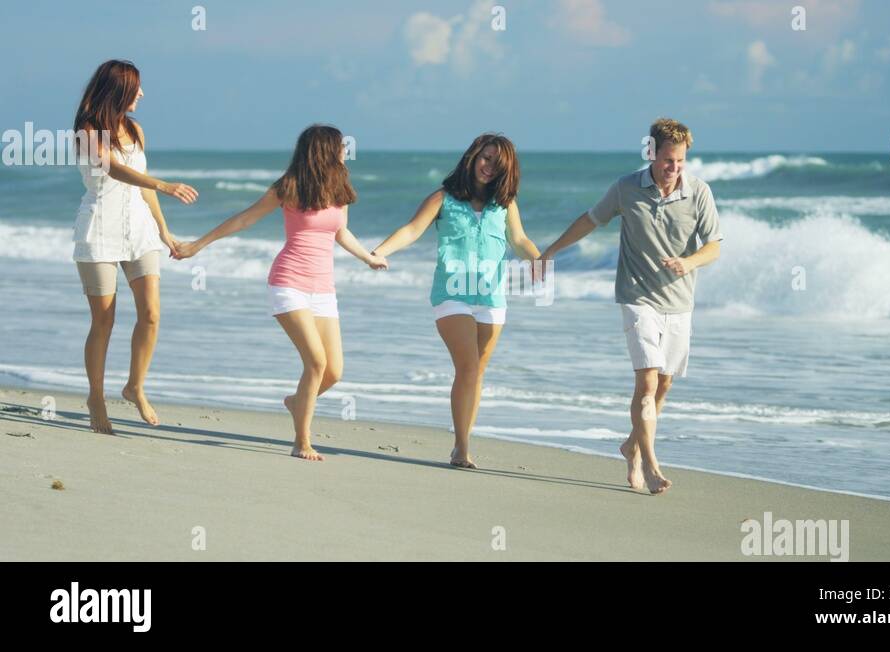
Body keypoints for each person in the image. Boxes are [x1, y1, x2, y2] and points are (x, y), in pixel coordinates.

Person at [173, 125, 387, 461]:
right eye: (340, 145)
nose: (346, 149)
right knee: (316, 362)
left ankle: (296, 402)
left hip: (323, 288)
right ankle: (302, 442)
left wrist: (368, 258)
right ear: (324, 150)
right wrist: (197, 245)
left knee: (334, 371)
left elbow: (341, 232)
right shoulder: (288, 187)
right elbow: (244, 219)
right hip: (289, 283)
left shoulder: (340, 188)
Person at [539, 118, 723, 494]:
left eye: (681, 162)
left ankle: (630, 444)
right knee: (647, 381)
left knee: (664, 385)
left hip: (680, 301)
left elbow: (714, 246)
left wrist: (688, 263)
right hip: (637, 297)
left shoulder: (699, 192)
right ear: (653, 153)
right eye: (668, 160)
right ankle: (649, 464)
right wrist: (551, 251)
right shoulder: (626, 188)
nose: (673, 169)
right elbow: (591, 220)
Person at [372, 134, 541, 469]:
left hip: (491, 296)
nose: (488, 167)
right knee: (467, 367)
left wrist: (539, 261)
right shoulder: (443, 198)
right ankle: (462, 449)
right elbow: (412, 229)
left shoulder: (504, 205)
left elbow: (519, 239)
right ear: (471, 157)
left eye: (497, 162)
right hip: (452, 294)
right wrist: (379, 252)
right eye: (485, 157)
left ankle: (460, 442)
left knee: (476, 373)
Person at [72, 59, 199, 434]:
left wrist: (165, 232)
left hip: (140, 231)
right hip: (99, 231)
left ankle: (134, 386)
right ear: (118, 89)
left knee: (152, 314)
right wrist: (164, 184)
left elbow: (140, 187)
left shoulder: (136, 129)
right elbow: (112, 168)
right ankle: (96, 396)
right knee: (104, 320)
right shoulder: (87, 130)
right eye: (136, 87)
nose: (142, 94)